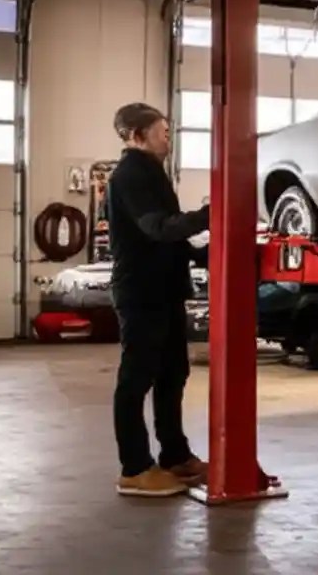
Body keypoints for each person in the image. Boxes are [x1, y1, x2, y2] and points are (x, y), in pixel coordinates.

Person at [105, 102, 210, 497]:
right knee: (136, 380)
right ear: (136, 136)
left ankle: (175, 456)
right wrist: (207, 216)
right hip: (142, 293)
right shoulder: (130, 175)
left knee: (172, 375)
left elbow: (171, 238)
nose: (168, 137)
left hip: (165, 290)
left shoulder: (152, 173)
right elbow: (157, 228)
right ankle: (134, 468)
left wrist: (206, 254)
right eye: (161, 131)